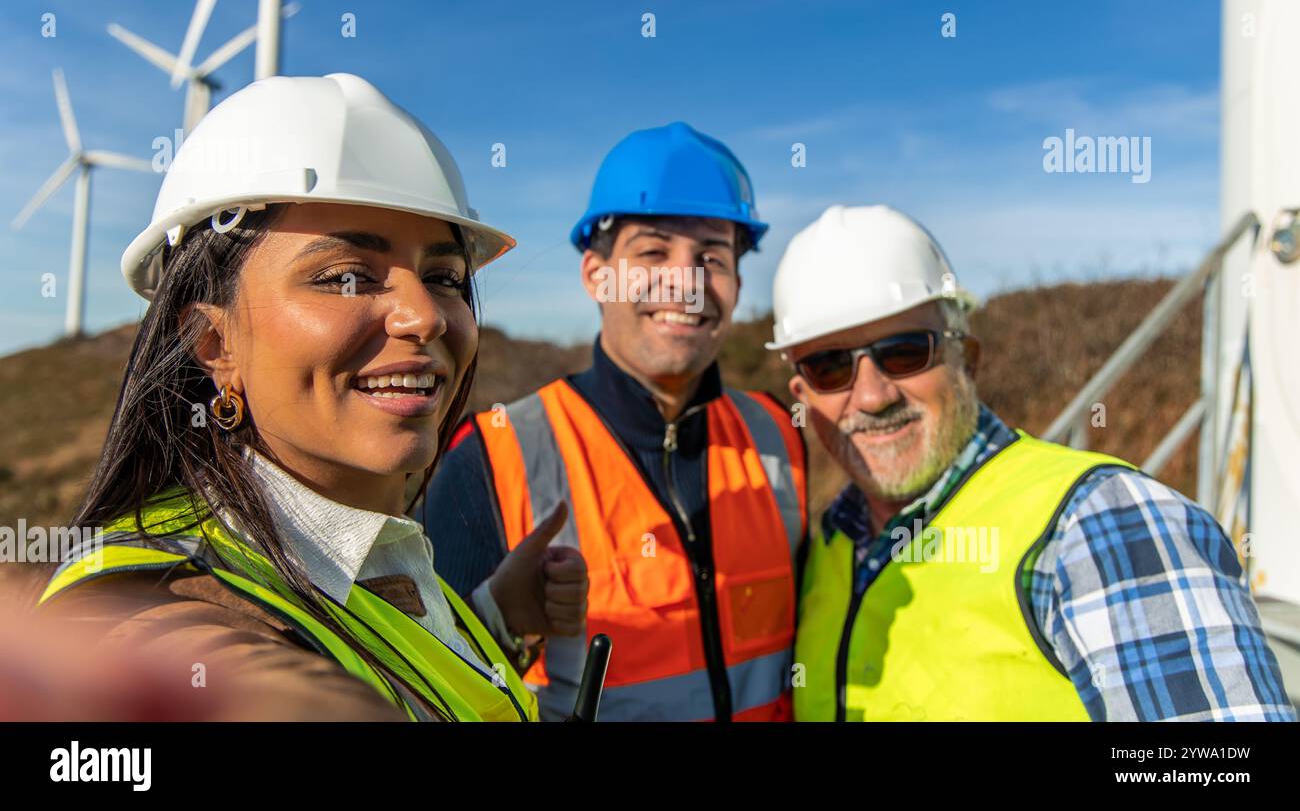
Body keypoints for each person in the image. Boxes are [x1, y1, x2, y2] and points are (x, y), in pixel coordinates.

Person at [37, 73, 585, 721]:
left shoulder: (374, 554)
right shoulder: (152, 626)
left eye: (443, 276)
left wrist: (496, 620)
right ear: (214, 344)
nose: (425, 316)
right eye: (347, 277)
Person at [772, 204, 1296, 721]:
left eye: (906, 352)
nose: (872, 395)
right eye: (829, 366)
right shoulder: (826, 551)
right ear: (803, 396)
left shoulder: (1097, 524)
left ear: (966, 359)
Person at [419, 121, 807, 721]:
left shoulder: (782, 435)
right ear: (595, 275)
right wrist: (500, 626)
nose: (686, 282)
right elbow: (426, 695)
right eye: (653, 252)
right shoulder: (491, 456)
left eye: (712, 256)